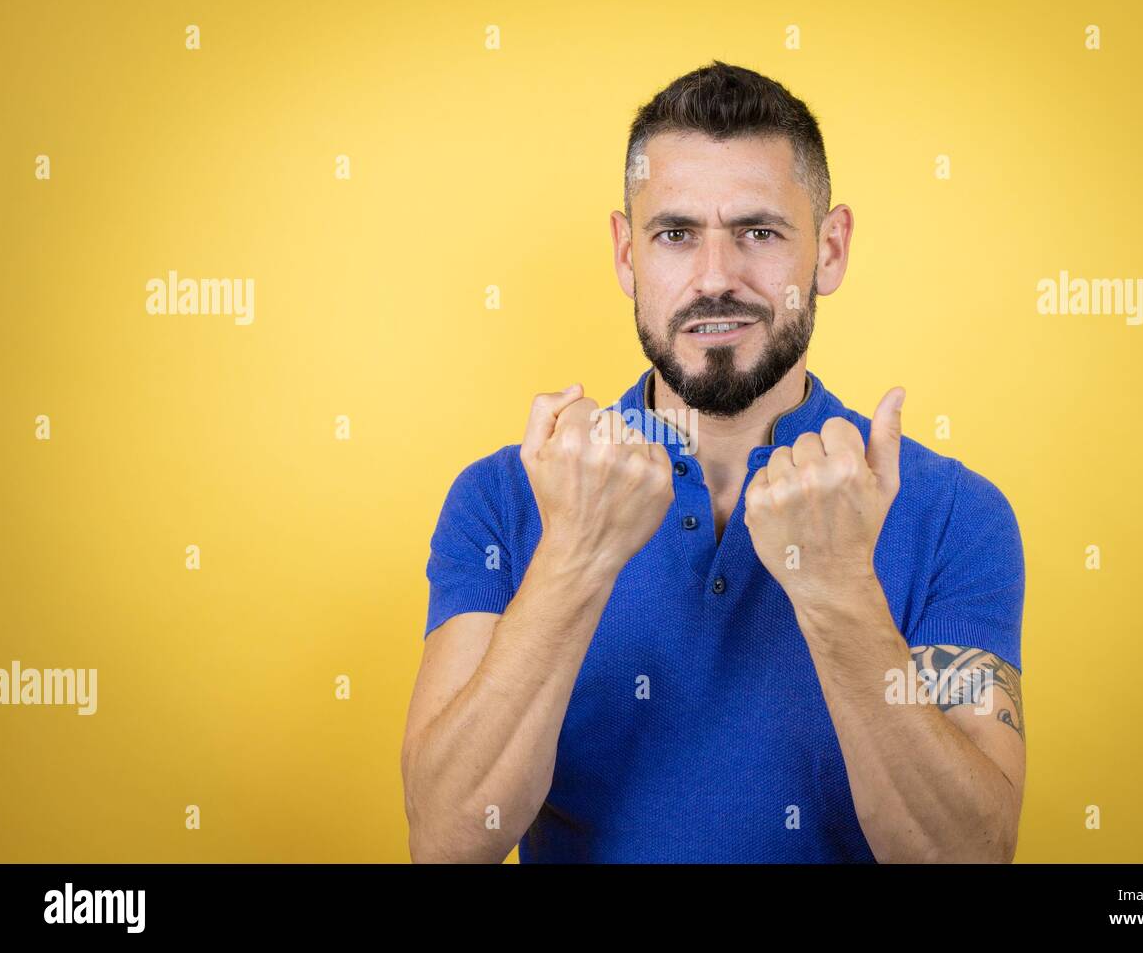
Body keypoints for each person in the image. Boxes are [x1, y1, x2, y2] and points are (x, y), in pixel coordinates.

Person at [401, 60, 1026, 863]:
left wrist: (838, 590)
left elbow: (969, 857)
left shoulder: (951, 513)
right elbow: (446, 843)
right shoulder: (507, 497)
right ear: (627, 255)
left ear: (829, 251)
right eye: (676, 235)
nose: (716, 280)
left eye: (759, 233)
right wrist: (577, 557)